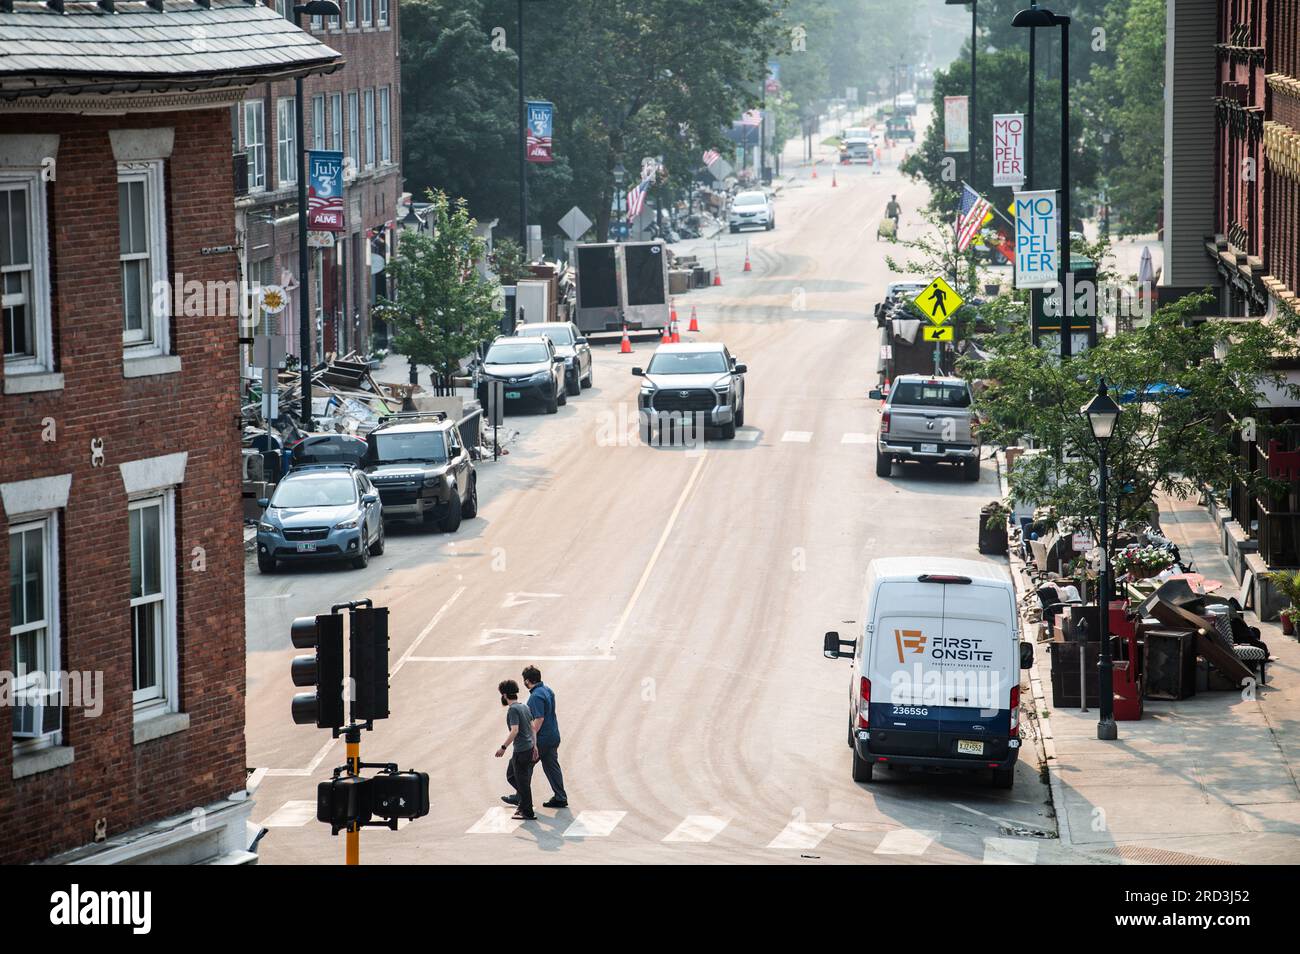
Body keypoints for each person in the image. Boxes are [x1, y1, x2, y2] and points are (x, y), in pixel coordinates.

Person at [524, 665, 567, 809]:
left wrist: (531, 739)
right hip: (553, 735)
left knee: (523, 766)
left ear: (528, 680)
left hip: (542, 739)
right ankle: (560, 797)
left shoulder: (535, 696)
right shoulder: (548, 690)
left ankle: (521, 796)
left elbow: (539, 719)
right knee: (551, 767)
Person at [495, 679, 536, 820]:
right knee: (512, 775)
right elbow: (532, 728)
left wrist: (503, 747)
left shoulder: (513, 710)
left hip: (521, 750)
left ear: (505, 695)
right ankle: (523, 801)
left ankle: (527, 811)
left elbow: (515, 730)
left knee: (522, 782)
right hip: (528, 748)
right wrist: (535, 746)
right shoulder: (524, 707)